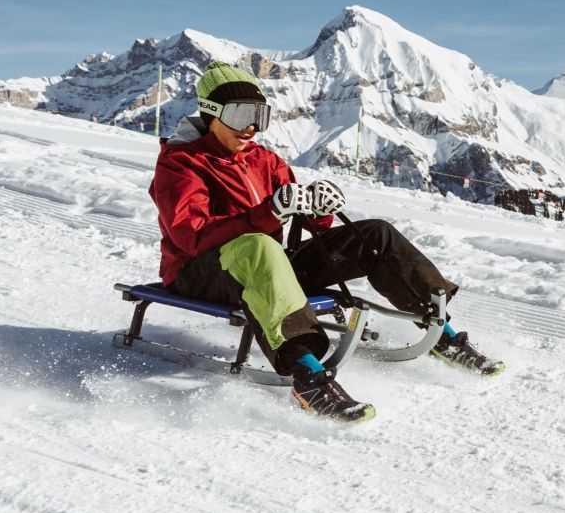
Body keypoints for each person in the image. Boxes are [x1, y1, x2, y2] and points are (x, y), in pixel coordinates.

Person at [150, 63, 503, 421]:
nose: (251, 127)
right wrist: (268, 213)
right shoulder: (181, 163)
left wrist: (318, 210)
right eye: (241, 115)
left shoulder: (264, 160)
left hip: (265, 265)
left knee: (374, 235)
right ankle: (307, 376)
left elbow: (299, 216)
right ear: (211, 112)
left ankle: (439, 330)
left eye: (259, 116)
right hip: (200, 273)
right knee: (259, 245)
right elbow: (190, 235)